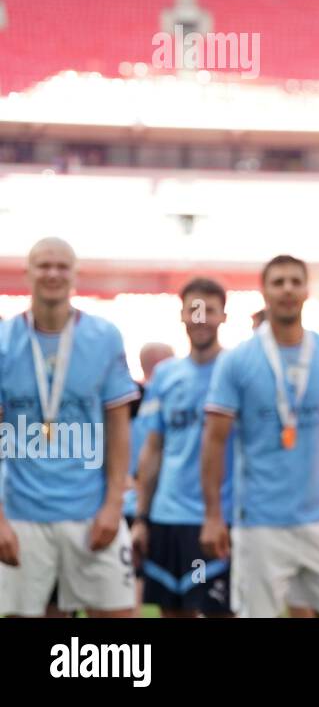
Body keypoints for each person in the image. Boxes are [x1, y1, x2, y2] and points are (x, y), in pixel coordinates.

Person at [199, 255, 319, 618]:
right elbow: (215, 442)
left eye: (295, 281)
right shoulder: (237, 360)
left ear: (307, 290)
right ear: (263, 291)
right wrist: (214, 515)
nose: (287, 289)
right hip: (261, 522)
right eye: (278, 282)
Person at [0, 237, 139, 618]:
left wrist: (113, 506)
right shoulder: (4, 341)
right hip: (23, 515)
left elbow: (118, 427)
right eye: (44, 265)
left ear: (75, 274)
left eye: (62, 266)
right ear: (27, 273)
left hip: (91, 512)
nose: (53, 273)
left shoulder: (104, 336)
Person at [131, 278, 235, 617]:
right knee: (173, 612)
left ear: (223, 316)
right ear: (182, 316)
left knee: (222, 611)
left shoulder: (238, 370)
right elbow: (154, 449)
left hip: (222, 517)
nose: (201, 317)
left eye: (210, 310)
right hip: (168, 517)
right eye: (194, 309)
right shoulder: (165, 376)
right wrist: (143, 518)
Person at [125, 341, 173, 614]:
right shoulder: (135, 403)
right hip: (146, 504)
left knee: (138, 577)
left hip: (145, 503)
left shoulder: (134, 403)